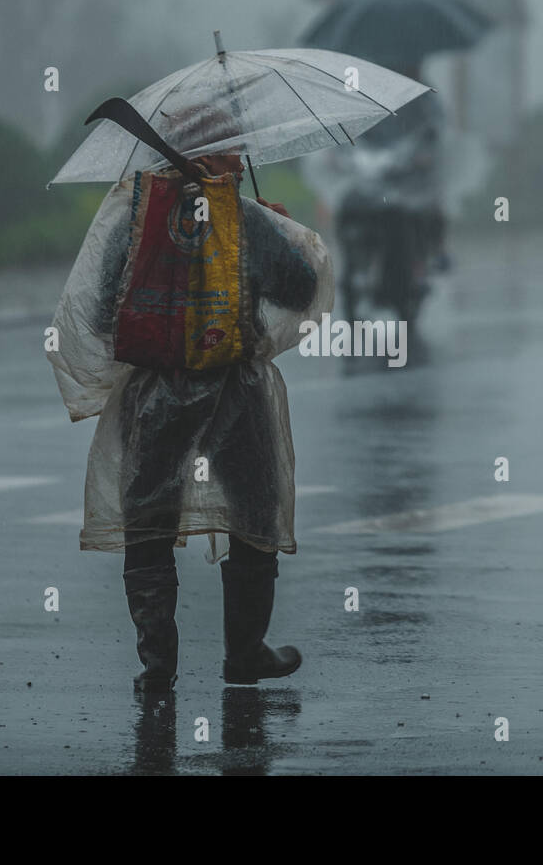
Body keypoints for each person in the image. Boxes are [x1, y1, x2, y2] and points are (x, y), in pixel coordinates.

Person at [48, 149, 333, 696]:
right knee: (255, 513)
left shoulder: (141, 220)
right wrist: (284, 229)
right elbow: (299, 290)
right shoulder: (246, 219)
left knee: (149, 521)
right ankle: (245, 653)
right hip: (235, 389)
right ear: (219, 157)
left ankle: (158, 666)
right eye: (233, 148)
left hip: (154, 392)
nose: (241, 156)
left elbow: (107, 305)